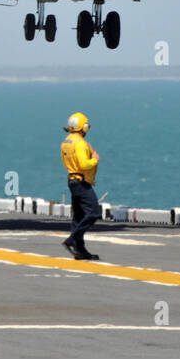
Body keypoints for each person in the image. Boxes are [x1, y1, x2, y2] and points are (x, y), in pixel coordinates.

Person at [60, 111, 101, 260]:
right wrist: (95, 160)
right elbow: (84, 164)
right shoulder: (80, 143)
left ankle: (80, 249)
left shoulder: (67, 141)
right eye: (87, 125)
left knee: (78, 216)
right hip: (81, 182)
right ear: (83, 127)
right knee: (94, 212)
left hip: (72, 180)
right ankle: (72, 240)